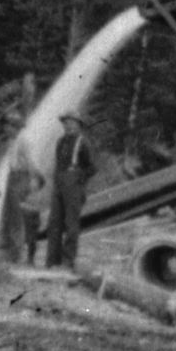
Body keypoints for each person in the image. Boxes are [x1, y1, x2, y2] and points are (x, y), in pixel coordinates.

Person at [48, 111, 98, 268]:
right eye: (65, 122)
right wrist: (58, 180)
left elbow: (92, 167)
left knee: (71, 223)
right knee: (54, 221)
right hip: (59, 182)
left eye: (70, 122)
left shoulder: (83, 142)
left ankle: (68, 260)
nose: (67, 125)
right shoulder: (61, 142)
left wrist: (78, 180)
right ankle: (52, 260)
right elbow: (58, 163)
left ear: (78, 124)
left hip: (73, 184)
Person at [3, 154, 46, 264]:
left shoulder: (38, 195)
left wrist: (24, 206)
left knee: (31, 240)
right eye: (31, 181)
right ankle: (22, 257)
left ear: (38, 184)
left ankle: (30, 259)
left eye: (34, 182)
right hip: (25, 219)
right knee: (25, 239)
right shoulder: (27, 193)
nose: (32, 183)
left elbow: (37, 208)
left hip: (33, 219)